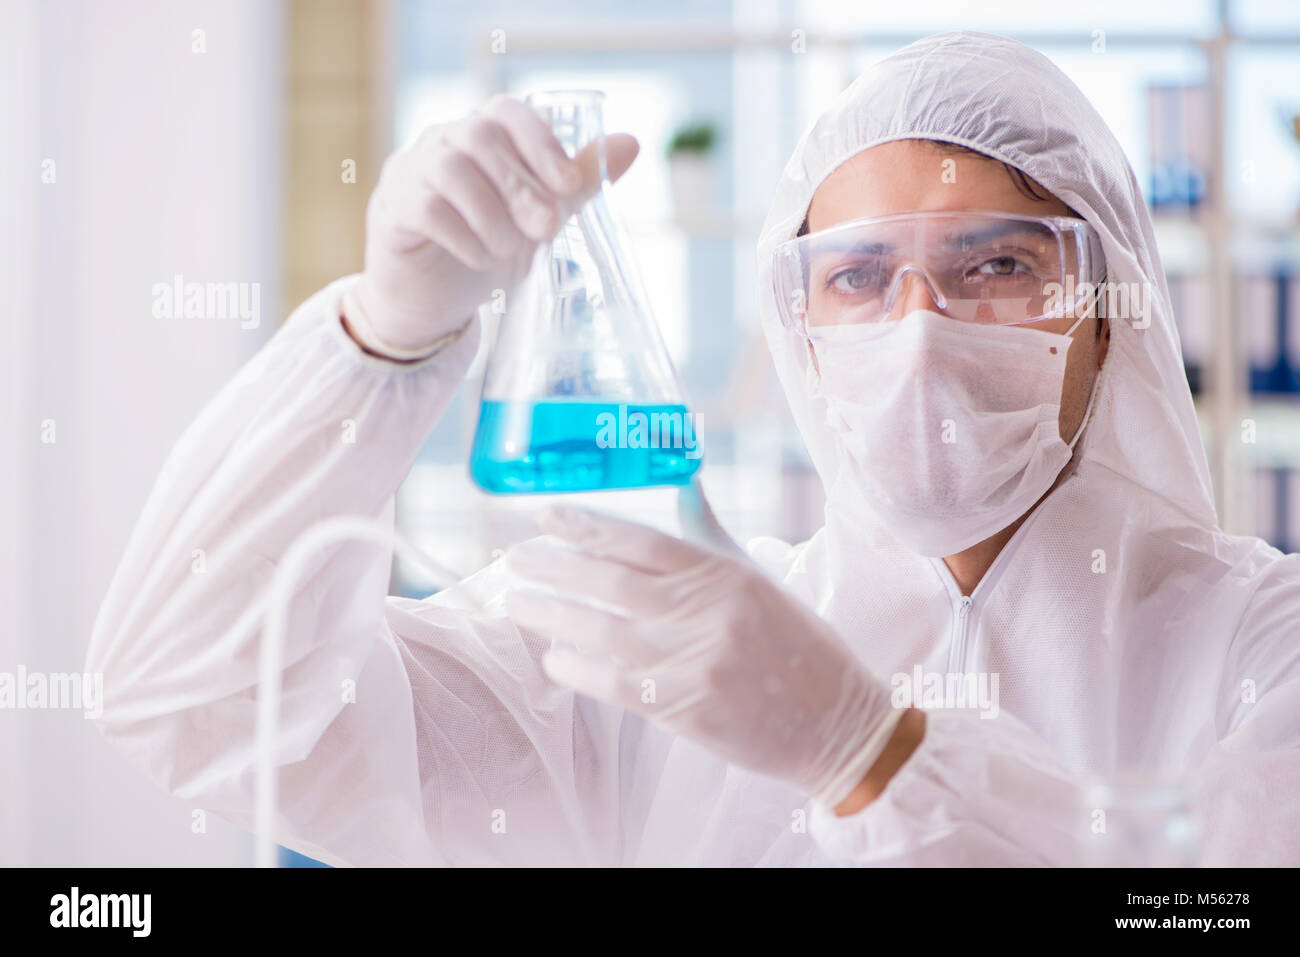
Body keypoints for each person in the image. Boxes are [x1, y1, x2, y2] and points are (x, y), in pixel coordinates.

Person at [87, 31, 1300, 866]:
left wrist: (872, 754)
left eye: (996, 265)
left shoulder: (1261, 644)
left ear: (1108, 305)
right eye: (860, 275)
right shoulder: (660, 665)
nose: (918, 328)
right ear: (801, 325)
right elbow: (190, 696)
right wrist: (384, 338)